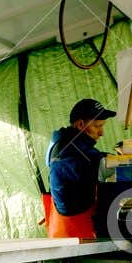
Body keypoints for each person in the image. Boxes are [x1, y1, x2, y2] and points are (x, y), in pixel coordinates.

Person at [46, 98, 115, 234]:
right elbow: (97, 164)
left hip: (74, 222)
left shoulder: (66, 141)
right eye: (97, 126)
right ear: (80, 124)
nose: (101, 133)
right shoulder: (69, 151)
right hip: (73, 230)